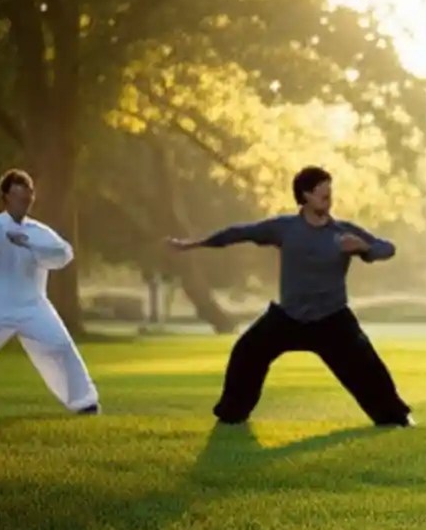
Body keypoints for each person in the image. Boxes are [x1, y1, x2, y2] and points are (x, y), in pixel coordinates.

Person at [167, 166, 413, 427]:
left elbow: (387, 248)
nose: (329, 201)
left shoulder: (342, 231)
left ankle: (396, 417)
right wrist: (193, 244)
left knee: (367, 367)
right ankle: (231, 415)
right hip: (289, 317)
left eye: (331, 195)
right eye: (323, 196)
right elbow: (239, 233)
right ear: (305, 195)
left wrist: (364, 247)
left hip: (332, 319)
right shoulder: (284, 228)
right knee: (247, 352)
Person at [0, 169, 100, 414]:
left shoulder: (38, 231)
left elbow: (63, 254)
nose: (25, 202)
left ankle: (84, 403)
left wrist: (29, 244)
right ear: (6, 197)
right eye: (19, 197)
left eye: (28, 197)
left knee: (61, 347)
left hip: (34, 305)